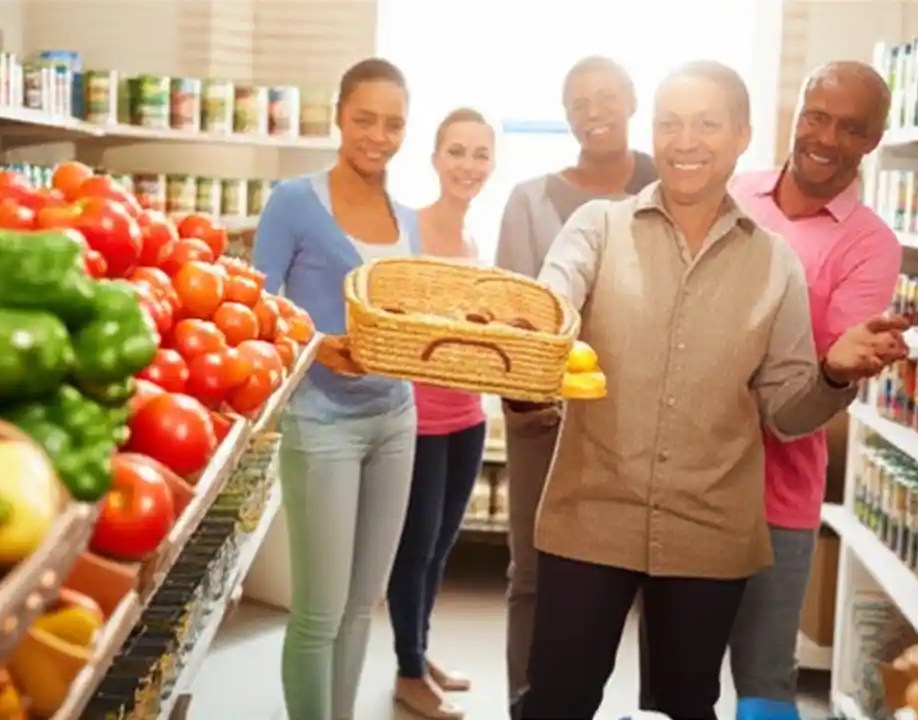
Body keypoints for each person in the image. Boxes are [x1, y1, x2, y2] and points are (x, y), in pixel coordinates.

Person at [514, 60, 910, 720]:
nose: (686, 141)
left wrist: (833, 372)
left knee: (684, 705)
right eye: (670, 124)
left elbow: (786, 412)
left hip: (709, 530)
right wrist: (529, 338)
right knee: (557, 700)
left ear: (742, 136)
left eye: (707, 124)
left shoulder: (773, 262)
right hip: (590, 516)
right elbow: (552, 305)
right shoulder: (597, 228)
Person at [724, 61, 901, 720]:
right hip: (691, 481)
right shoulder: (733, 190)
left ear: (873, 141)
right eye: (816, 115)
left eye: (850, 127)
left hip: (779, 490)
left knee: (765, 679)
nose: (826, 137)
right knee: (675, 674)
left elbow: (813, 377)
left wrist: (835, 362)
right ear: (796, 113)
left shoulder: (871, 245)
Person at [251, 57, 419, 720]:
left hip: (395, 419)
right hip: (322, 422)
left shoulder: (405, 216)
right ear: (339, 116)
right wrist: (320, 344)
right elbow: (256, 307)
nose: (378, 135)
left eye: (394, 124)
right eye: (364, 119)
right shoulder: (294, 201)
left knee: (361, 604)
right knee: (319, 611)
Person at [494, 55, 657, 702]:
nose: (594, 112)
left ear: (633, 101)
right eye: (579, 103)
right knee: (534, 572)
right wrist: (521, 397)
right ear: (565, 117)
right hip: (548, 419)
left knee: (656, 578)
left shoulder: (671, 181)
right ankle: (524, 704)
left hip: (646, 418)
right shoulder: (530, 200)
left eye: (607, 96)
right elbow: (511, 314)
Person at [386, 107, 495, 720]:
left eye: (480, 154)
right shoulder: (412, 230)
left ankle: (419, 652)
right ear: (434, 158)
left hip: (467, 415)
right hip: (420, 416)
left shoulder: (475, 240)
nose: (468, 165)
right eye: (457, 151)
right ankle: (406, 673)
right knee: (415, 547)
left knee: (442, 546)